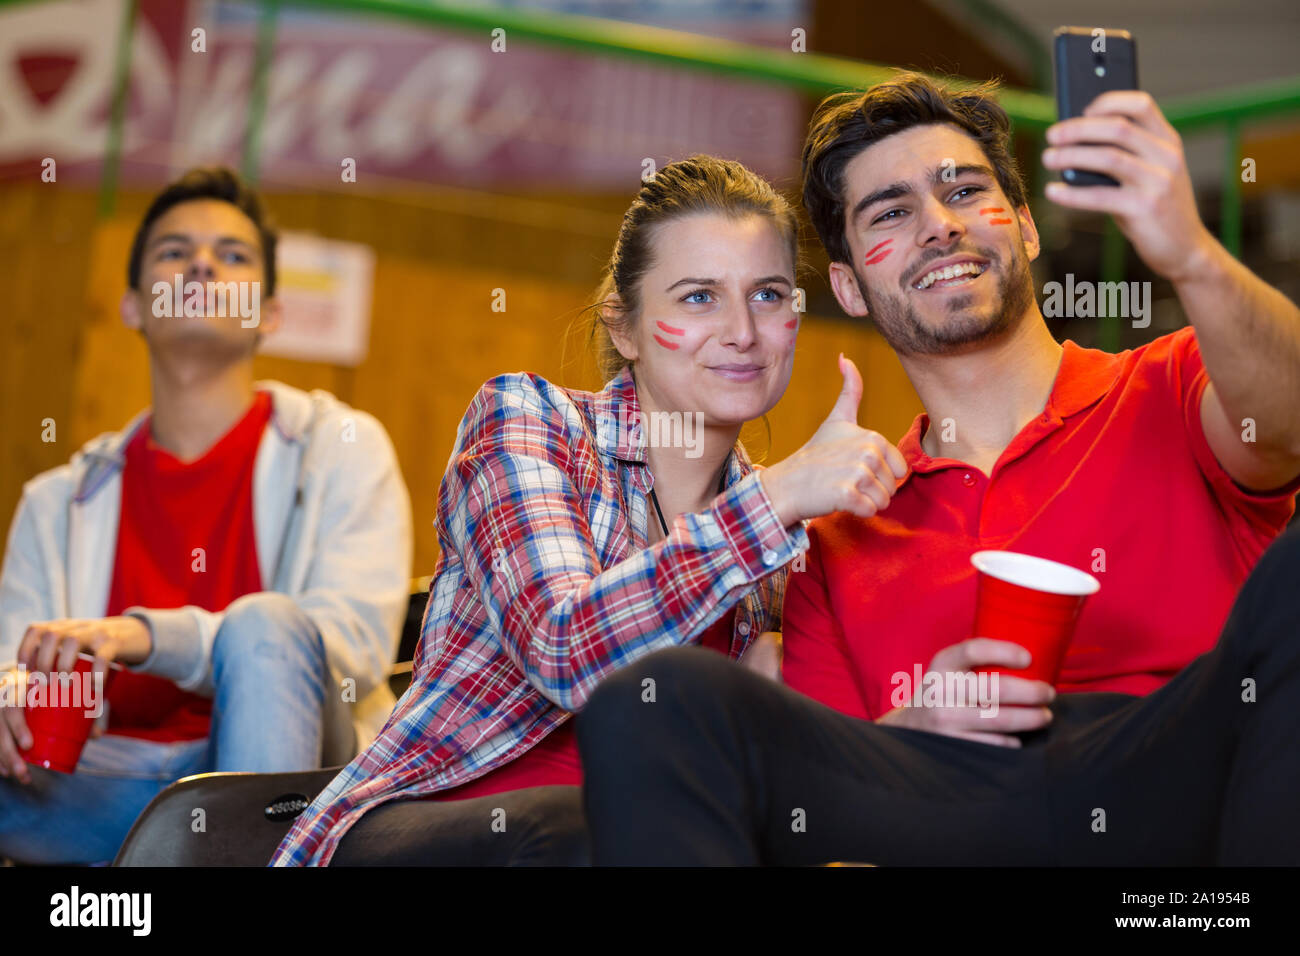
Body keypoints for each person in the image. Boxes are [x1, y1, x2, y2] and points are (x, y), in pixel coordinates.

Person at [575, 74, 1300, 864]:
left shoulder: (1173, 385)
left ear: (1023, 227)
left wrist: (1190, 253)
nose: (940, 226)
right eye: (892, 212)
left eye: (963, 190)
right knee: (663, 699)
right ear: (849, 287)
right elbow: (820, 812)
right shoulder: (840, 539)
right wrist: (907, 732)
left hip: (1182, 793)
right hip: (956, 807)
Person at [271, 155, 908, 866]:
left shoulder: (781, 551)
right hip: (427, 831)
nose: (742, 331)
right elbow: (564, 649)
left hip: (635, 849)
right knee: (585, 831)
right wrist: (781, 496)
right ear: (626, 328)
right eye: (698, 297)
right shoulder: (528, 419)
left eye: (767, 295)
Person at [0, 167, 413, 865]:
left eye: (233, 256)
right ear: (132, 306)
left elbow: (352, 646)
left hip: (292, 793)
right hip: (101, 792)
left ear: (270, 311)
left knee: (267, 623)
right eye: (174, 251)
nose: (201, 263)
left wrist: (146, 636)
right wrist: (8, 694)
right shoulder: (54, 502)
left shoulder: (340, 446)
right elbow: (16, 664)